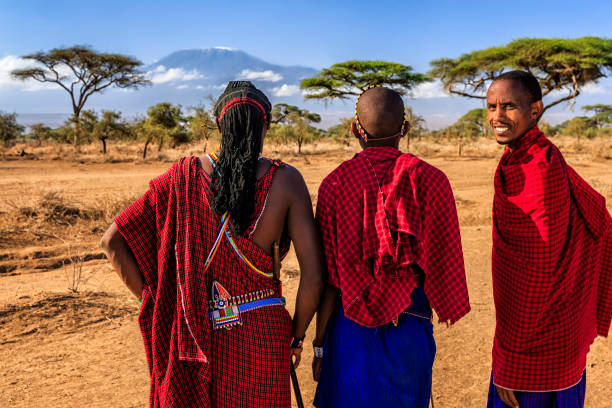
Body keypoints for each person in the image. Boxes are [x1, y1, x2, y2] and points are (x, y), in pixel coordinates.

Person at [100, 81, 325, 407]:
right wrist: (298, 336)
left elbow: (111, 242)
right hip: (266, 334)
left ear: (219, 123)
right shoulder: (287, 180)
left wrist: (161, 303)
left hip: (199, 332)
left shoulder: (184, 176)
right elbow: (315, 277)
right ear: (267, 125)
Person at [311, 85, 471, 408]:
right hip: (409, 328)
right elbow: (444, 265)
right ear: (406, 129)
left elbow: (329, 281)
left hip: (349, 330)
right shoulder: (432, 180)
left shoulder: (334, 184)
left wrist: (318, 344)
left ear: (355, 129)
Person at [486, 70, 612, 408]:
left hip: (532, 348)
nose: (497, 117)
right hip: (561, 336)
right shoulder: (532, 157)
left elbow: (536, 275)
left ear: (536, 109)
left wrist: (510, 360)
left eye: (509, 106)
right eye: (491, 107)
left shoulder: (537, 168)